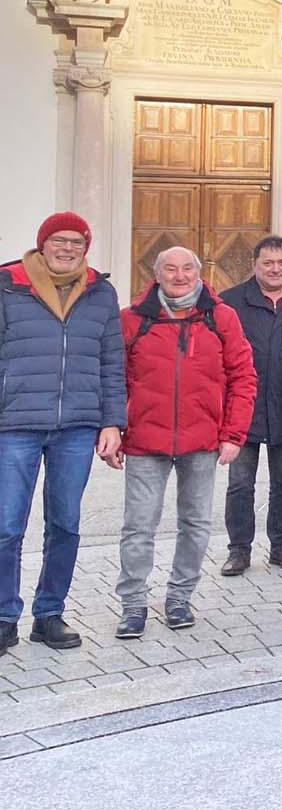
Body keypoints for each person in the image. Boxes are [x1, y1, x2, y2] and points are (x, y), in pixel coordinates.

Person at [114, 247, 257, 638]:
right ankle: (133, 605)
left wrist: (233, 434)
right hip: (145, 439)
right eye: (171, 269)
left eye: (187, 268)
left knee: (195, 524)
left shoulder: (221, 317)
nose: (179, 276)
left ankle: (179, 598)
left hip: (203, 440)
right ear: (156, 275)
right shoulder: (132, 320)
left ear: (199, 272)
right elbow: (113, 378)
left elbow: (243, 377)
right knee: (138, 526)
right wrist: (113, 426)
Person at [0, 212, 125, 654]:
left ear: (85, 247)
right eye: (59, 240)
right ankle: (3, 615)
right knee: (7, 524)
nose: (67, 248)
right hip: (15, 424)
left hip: (77, 425)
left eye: (76, 241)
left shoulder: (100, 291)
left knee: (65, 524)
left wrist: (112, 421)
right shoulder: (8, 284)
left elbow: (112, 361)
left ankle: (49, 614)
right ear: (42, 243)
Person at [217, 235, 282, 576]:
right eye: (268, 263)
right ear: (254, 264)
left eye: (281, 263)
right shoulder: (230, 302)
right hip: (242, 408)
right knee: (240, 483)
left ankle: (281, 546)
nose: (275, 269)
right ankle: (239, 550)